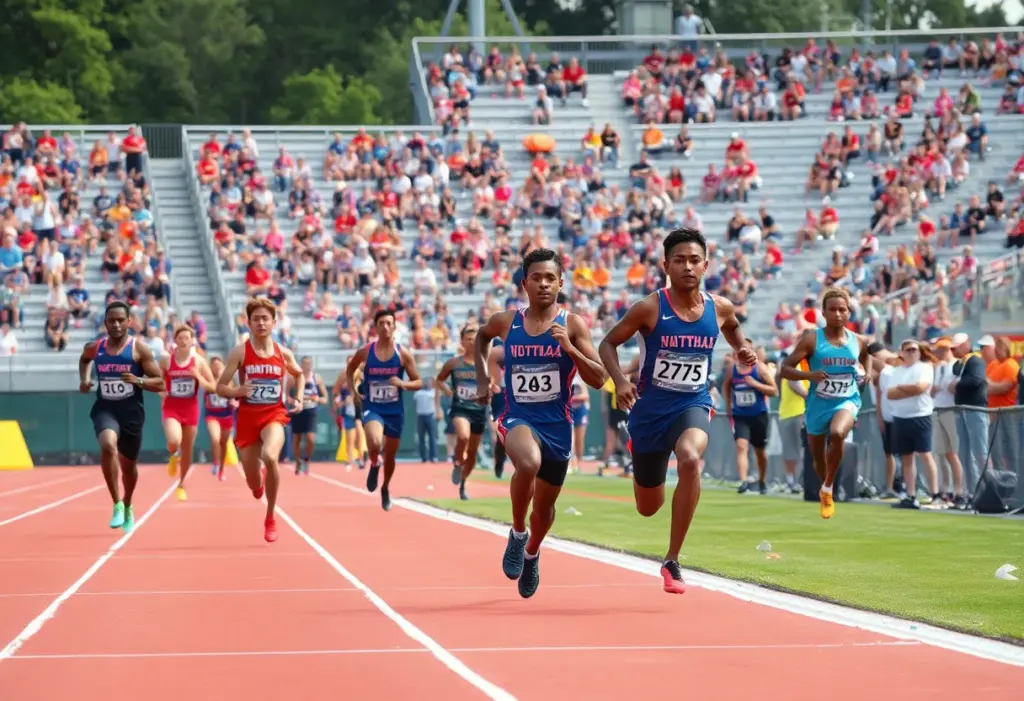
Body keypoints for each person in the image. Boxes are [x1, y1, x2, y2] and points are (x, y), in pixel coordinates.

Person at [598, 227, 758, 595]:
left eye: (695, 260)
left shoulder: (720, 307)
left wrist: (744, 348)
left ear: (706, 265)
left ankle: (672, 559)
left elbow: (733, 329)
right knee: (647, 507)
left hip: (693, 402)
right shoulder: (650, 308)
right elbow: (608, 344)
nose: (688, 266)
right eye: (679, 260)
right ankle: (642, 454)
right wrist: (622, 382)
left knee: (689, 458)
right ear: (665, 265)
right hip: (650, 413)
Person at [474, 248, 607, 599]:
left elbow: (599, 378)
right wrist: (481, 378)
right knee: (528, 462)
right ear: (524, 284)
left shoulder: (574, 324)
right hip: (518, 416)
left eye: (551, 278)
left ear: (561, 283)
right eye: (537, 278)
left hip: (557, 426)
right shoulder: (507, 322)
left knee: (545, 510)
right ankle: (517, 534)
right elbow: (481, 337)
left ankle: (532, 552)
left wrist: (571, 349)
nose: (544, 284)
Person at [780, 286, 895, 519]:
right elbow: (785, 369)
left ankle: (829, 485)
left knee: (838, 433)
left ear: (849, 313)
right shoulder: (812, 340)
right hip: (817, 404)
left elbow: (867, 357)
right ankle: (826, 486)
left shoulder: (858, 340)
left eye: (843, 310)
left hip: (847, 399)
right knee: (817, 460)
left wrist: (867, 373)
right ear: (823, 312)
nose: (838, 314)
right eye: (832, 309)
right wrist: (809, 376)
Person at [216, 298, 303, 543]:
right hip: (247, 420)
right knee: (254, 484)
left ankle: (270, 517)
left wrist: (299, 397)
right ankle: (259, 483)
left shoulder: (283, 352)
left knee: (271, 456)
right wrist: (237, 391)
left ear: (274, 323)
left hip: (274, 415)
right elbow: (219, 386)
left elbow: (299, 374)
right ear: (249, 323)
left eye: (266, 318)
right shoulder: (240, 352)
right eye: (256, 319)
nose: (261, 323)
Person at [79, 301, 165, 532]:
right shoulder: (95, 348)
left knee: (129, 467)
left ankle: (128, 503)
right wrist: (85, 380)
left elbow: (160, 382)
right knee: (108, 445)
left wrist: (138, 381)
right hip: (105, 409)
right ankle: (117, 503)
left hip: (131, 413)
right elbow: (84, 359)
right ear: (105, 323)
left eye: (120, 320)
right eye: (111, 320)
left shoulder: (139, 349)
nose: (116, 325)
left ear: (129, 322)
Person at [346, 309, 423, 511]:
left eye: (390, 323)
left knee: (390, 456)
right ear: (376, 327)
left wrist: (402, 383)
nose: (386, 327)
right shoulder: (365, 351)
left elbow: (419, 381)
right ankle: (373, 463)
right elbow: (350, 368)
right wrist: (354, 390)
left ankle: (386, 487)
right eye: (382, 323)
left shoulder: (403, 353)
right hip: (373, 407)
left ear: (394, 327)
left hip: (394, 411)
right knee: (374, 441)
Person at [162, 324, 218, 501]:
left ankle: (181, 484)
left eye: (187, 338)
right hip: (172, 406)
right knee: (174, 440)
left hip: (191, 408)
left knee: (187, 450)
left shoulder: (199, 361)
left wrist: (198, 377)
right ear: (175, 341)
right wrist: (161, 390)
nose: (184, 341)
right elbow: (157, 379)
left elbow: (213, 386)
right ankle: (173, 455)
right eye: (180, 338)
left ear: (192, 341)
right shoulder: (166, 360)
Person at [436, 324, 488, 500]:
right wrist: (447, 391)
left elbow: (492, 382)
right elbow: (439, 380)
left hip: (479, 412)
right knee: (463, 436)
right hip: (460, 409)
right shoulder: (453, 363)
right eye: (469, 339)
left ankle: (463, 485)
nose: (472, 343)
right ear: (462, 342)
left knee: (472, 453)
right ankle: (458, 462)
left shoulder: (485, 364)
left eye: (475, 340)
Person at [722, 342, 777, 494]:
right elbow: (726, 386)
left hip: (759, 415)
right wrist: (728, 405)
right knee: (741, 446)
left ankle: (762, 480)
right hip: (740, 415)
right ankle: (743, 481)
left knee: (760, 451)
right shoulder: (731, 369)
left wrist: (755, 384)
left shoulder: (759, 368)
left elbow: (774, 391)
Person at [289, 356, 328, 475]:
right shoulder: (294, 377)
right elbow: (285, 395)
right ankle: (298, 462)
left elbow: (325, 399)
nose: (308, 365)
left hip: (311, 410)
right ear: (301, 364)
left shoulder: (317, 378)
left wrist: (317, 398)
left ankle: (306, 460)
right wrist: (292, 400)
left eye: (310, 363)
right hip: (298, 410)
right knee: (297, 438)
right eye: (305, 363)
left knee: (311, 439)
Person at [204, 355, 237, 481]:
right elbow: (206, 386)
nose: (216, 366)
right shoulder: (208, 379)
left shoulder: (228, 380)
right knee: (215, 439)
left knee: (223, 444)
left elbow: (233, 394)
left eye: (218, 364)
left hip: (226, 415)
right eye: (214, 364)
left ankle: (222, 469)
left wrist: (233, 401)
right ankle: (216, 463)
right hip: (212, 415)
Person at [332, 364, 364, 470]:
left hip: (358, 410)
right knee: (350, 437)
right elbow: (337, 395)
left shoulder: (360, 378)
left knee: (359, 432)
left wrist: (354, 395)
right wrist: (339, 401)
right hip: (348, 412)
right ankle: (350, 460)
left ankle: (361, 458)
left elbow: (362, 392)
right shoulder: (343, 381)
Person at [568, 373, 590, 474]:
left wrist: (572, 398)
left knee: (579, 439)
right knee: (570, 439)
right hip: (568, 410)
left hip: (580, 410)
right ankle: (570, 464)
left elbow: (585, 396)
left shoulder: (580, 379)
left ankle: (579, 464)